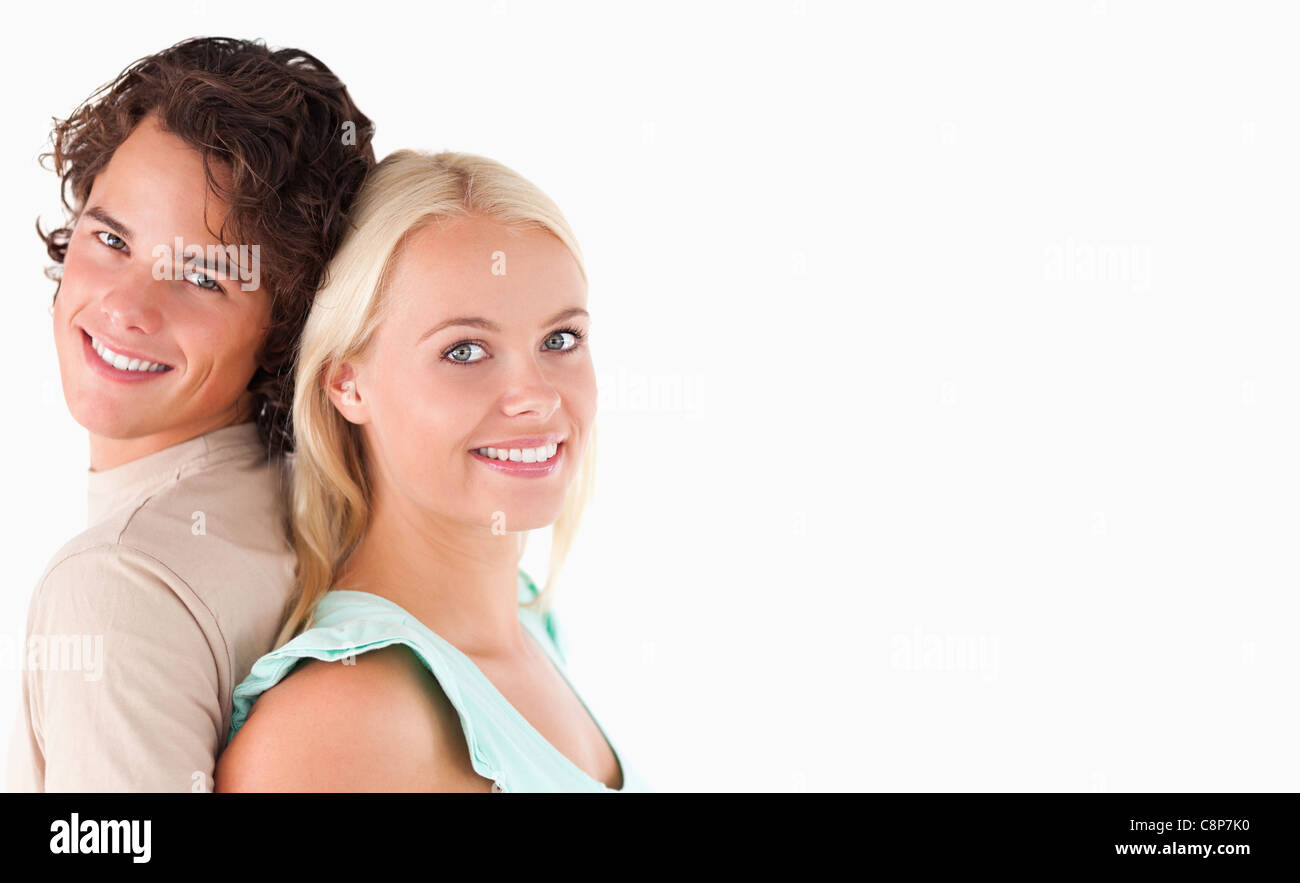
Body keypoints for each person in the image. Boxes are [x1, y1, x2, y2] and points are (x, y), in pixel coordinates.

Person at [5, 36, 376, 791]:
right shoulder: (318, 502)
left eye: (203, 277)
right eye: (112, 238)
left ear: (286, 324)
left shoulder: (116, 586)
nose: (125, 308)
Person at [215, 150, 650, 792]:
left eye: (560, 339)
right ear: (347, 382)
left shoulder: (531, 627)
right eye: (465, 350)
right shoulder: (342, 724)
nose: (536, 396)